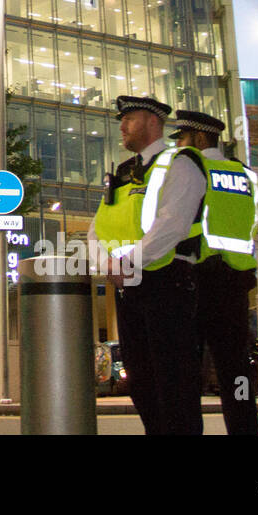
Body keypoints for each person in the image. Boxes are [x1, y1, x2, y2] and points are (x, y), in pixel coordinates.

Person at [89, 95, 203, 435]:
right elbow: (97, 229)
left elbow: (173, 225)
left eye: (130, 119)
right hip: (128, 287)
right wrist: (107, 265)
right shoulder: (123, 173)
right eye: (121, 120)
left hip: (168, 283)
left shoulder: (181, 163)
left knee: (175, 385)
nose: (122, 126)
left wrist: (125, 264)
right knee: (140, 382)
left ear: (154, 122)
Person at [170, 110, 258, 435]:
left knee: (187, 368)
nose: (178, 146)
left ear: (199, 138)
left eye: (181, 138)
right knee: (235, 368)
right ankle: (245, 428)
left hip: (197, 279)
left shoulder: (193, 168)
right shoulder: (247, 175)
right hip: (236, 282)